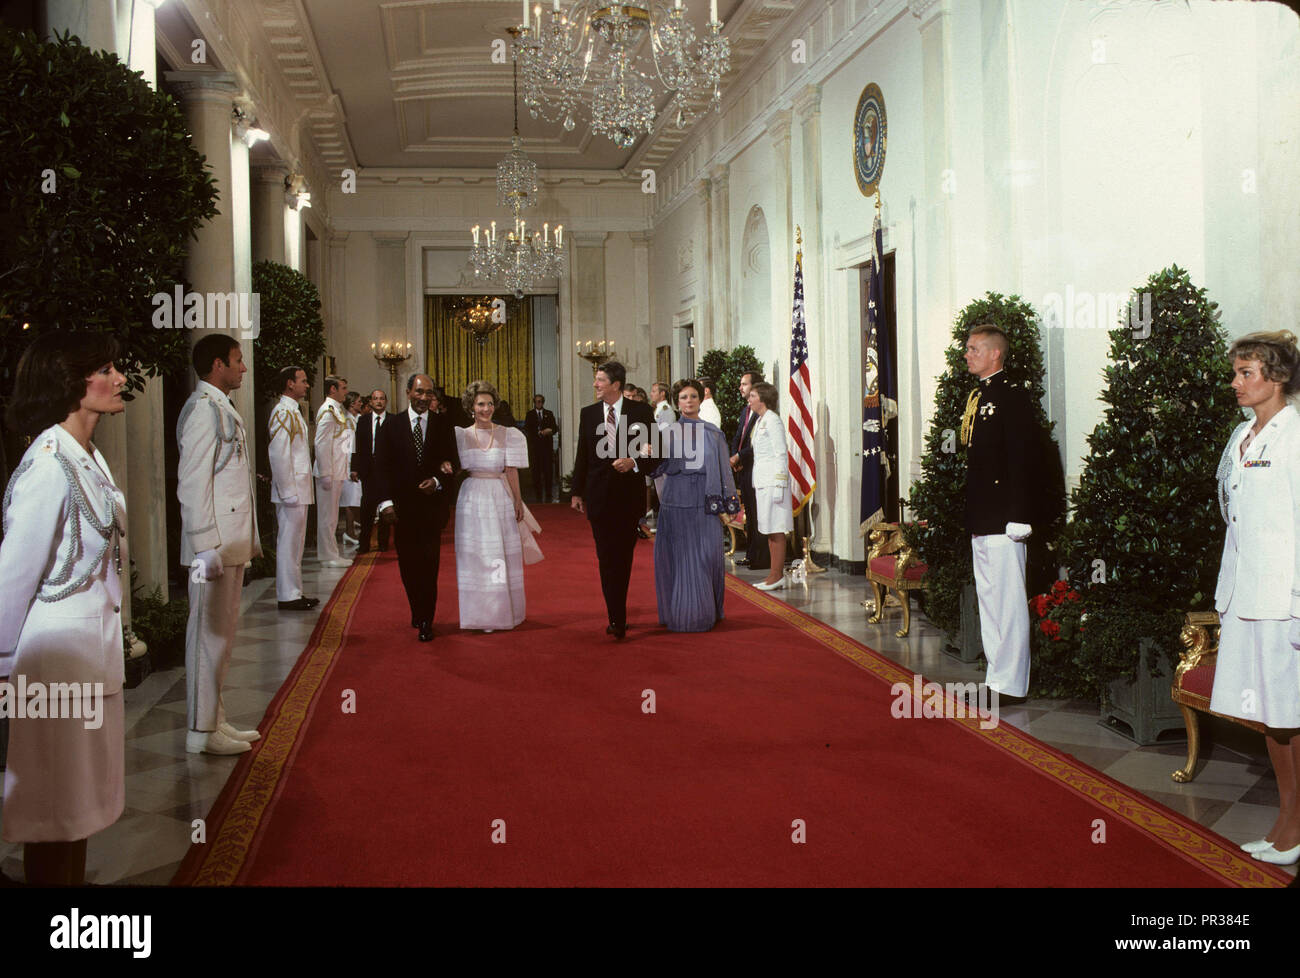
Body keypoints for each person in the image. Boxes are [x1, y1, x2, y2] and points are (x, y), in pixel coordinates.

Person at [0, 332, 127, 885]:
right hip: (54, 665)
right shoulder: (49, 463)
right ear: (71, 384)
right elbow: (12, 578)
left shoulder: (87, 455)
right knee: (53, 813)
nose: (120, 378)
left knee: (75, 811)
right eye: (107, 368)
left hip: (88, 657)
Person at [1208, 330, 1300, 865]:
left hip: (1282, 600)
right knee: (1270, 715)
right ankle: (1286, 819)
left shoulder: (1293, 438)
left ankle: (1294, 823)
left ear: (1278, 377)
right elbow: (1235, 522)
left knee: (1290, 714)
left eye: (1247, 373)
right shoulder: (1243, 434)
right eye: (1235, 373)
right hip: (1244, 593)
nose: (1236, 383)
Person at [177, 334, 263, 754]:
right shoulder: (201, 411)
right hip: (210, 546)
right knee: (206, 635)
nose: (243, 368)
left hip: (227, 543)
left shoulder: (219, 406)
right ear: (217, 365)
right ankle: (200, 731)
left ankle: (215, 720)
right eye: (237, 360)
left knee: (222, 636)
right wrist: (204, 546)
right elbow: (192, 484)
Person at [961, 324, 1033, 699]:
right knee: (990, 600)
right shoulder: (978, 396)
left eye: (974, 349)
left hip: (1006, 520)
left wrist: (1019, 514)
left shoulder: (1012, 397)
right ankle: (996, 677)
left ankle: (1012, 683)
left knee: (1007, 603)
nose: (967, 355)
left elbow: (1022, 459)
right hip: (983, 516)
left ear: (995, 354)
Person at [571, 360, 661, 639]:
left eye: (600, 380)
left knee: (622, 558)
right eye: (596, 380)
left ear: (616, 385)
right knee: (605, 558)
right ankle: (616, 617)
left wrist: (633, 462)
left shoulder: (641, 411)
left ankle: (617, 614)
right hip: (598, 498)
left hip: (627, 498)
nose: (595, 385)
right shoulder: (588, 414)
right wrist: (576, 491)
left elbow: (656, 451)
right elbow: (582, 455)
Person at [372, 374, 459, 642]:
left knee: (429, 564)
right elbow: (380, 467)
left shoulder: (443, 425)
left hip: (432, 510)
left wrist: (437, 481)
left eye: (429, 393)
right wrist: (385, 503)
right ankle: (416, 608)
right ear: (408, 392)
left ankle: (426, 619)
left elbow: (453, 463)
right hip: (402, 510)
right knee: (409, 566)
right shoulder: (392, 425)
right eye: (419, 392)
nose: (424, 398)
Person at [454, 381, 538, 632]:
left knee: (497, 556)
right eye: (480, 404)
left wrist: (517, 501)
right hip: (471, 499)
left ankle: (499, 613)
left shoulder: (508, 434)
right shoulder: (461, 435)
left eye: (490, 403)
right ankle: (476, 614)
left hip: (499, 498)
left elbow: (511, 471)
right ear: (471, 406)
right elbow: (453, 468)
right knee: (475, 557)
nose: (486, 408)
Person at [654, 379, 737, 631]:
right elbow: (658, 468)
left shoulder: (714, 433)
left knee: (705, 557)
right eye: (683, 397)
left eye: (692, 396)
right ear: (677, 403)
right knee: (680, 558)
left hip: (705, 501)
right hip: (675, 499)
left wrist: (728, 504)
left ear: (701, 399)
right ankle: (681, 614)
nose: (688, 401)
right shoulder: (666, 433)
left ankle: (705, 611)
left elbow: (725, 470)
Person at [267, 365, 318, 611]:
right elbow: (278, 454)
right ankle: (288, 595)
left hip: (299, 488)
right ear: (290, 383)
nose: (307, 385)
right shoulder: (282, 412)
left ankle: (294, 592)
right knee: (288, 542)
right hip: (291, 491)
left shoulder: (293, 411)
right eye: (303, 381)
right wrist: (287, 491)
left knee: (296, 543)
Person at [747, 382, 794, 590]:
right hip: (763, 482)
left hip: (774, 484)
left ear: (763, 399)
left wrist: (779, 485)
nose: (749, 399)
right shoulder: (761, 421)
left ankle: (777, 576)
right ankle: (773, 575)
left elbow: (781, 454)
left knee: (776, 529)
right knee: (769, 529)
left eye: (753, 396)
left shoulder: (773, 421)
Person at [729, 370, 769, 570]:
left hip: (755, 468)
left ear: (754, 387)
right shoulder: (745, 411)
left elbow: (757, 445)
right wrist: (733, 455)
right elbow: (739, 436)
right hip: (743, 470)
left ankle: (761, 557)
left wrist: (740, 456)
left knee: (757, 513)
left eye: (744, 384)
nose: (740, 388)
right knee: (750, 514)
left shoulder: (765, 413)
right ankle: (751, 554)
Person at [314, 375, 351, 567]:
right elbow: (321, 444)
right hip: (329, 472)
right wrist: (325, 472)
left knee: (332, 516)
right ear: (332, 390)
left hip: (337, 470)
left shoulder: (336, 410)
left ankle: (332, 553)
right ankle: (327, 555)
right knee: (327, 516)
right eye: (343, 388)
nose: (346, 391)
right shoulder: (328, 411)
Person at [354, 388, 395, 554]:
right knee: (367, 509)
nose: (378, 401)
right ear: (370, 402)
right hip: (368, 470)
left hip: (387, 470)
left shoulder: (393, 420)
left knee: (386, 505)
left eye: (381, 399)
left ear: (386, 401)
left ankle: (383, 543)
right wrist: (354, 467)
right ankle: (364, 544)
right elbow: (356, 445)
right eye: (375, 399)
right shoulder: (363, 421)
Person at [523, 393, 559, 502]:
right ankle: (538, 496)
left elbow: (554, 428)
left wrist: (549, 431)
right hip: (535, 448)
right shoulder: (530, 414)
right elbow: (527, 429)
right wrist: (536, 433)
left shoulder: (549, 413)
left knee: (548, 472)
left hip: (547, 448)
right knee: (536, 473)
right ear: (534, 403)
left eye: (540, 401)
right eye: (536, 401)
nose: (538, 403)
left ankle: (548, 495)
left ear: (543, 402)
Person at [339, 390, 363, 546]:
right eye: (359, 401)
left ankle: (354, 529)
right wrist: (350, 468)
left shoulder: (356, 418)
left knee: (355, 500)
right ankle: (349, 532)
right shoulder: (347, 421)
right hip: (348, 466)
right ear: (353, 403)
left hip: (355, 464)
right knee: (349, 500)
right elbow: (347, 448)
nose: (361, 403)